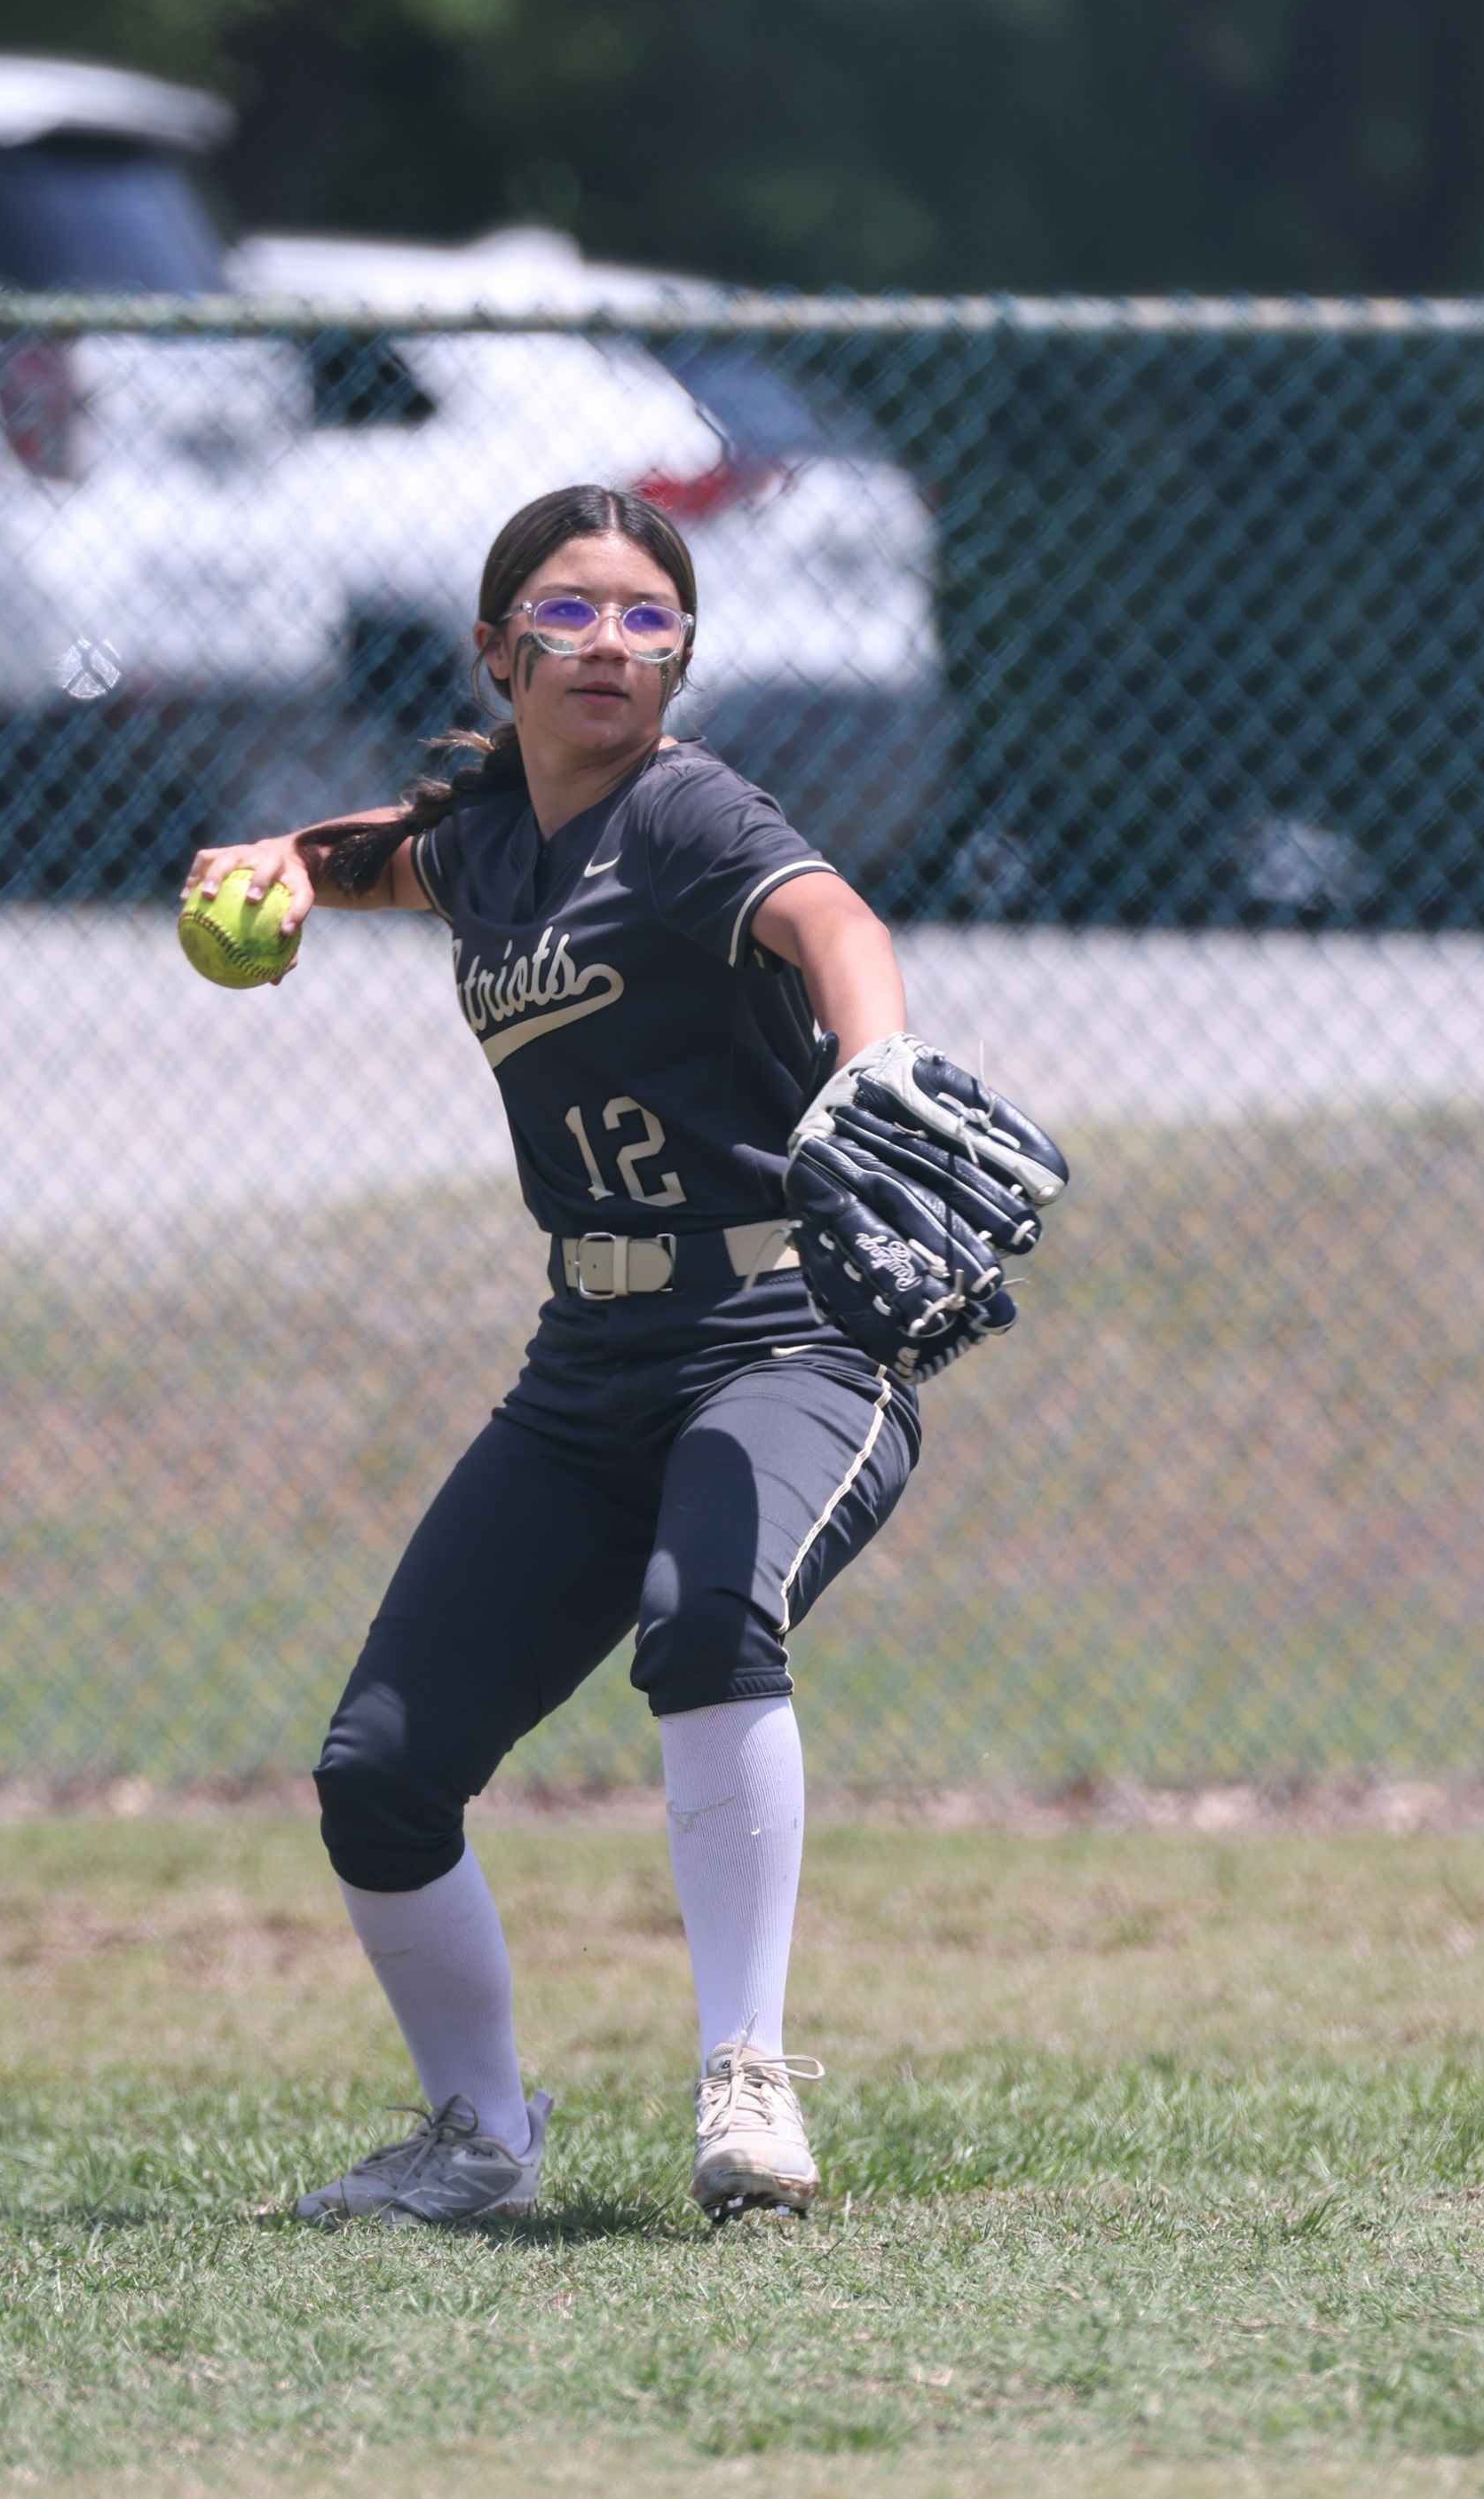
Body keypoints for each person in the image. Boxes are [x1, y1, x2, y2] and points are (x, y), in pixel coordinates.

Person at [185, 481, 930, 2229]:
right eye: (572, 614)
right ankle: (476, 2134)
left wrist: (875, 1063)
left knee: (707, 1613)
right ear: (498, 648)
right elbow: (392, 849)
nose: (610, 645)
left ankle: (746, 2080)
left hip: (786, 1332)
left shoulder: (685, 812)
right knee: (379, 1772)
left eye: (647, 618)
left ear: (682, 657)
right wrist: (279, 865)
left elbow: (836, 926)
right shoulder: (492, 838)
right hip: (590, 1357)